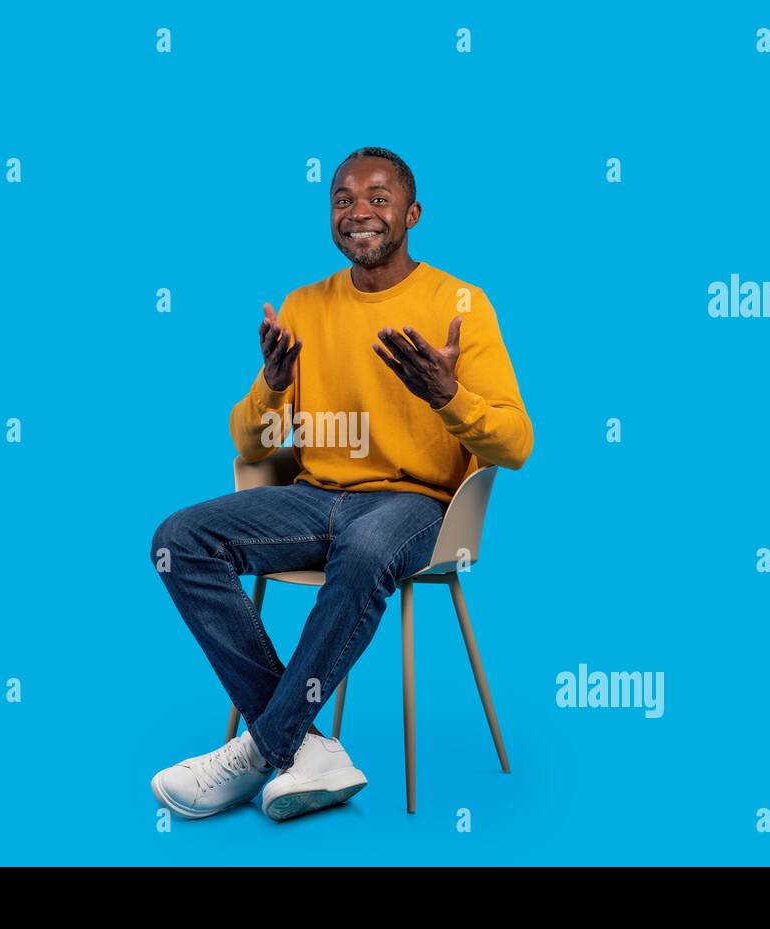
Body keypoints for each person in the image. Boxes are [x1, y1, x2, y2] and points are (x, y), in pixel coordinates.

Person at [149, 146, 533, 822]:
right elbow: (249, 443)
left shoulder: (460, 303)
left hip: (418, 504)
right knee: (178, 539)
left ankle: (261, 748)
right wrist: (271, 386)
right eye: (343, 199)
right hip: (315, 495)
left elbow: (517, 444)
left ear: (412, 213)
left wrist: (449, 397)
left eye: (379, 198)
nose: (359, 211)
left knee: (362, 553)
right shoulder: (304, 303)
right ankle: (309, 746)